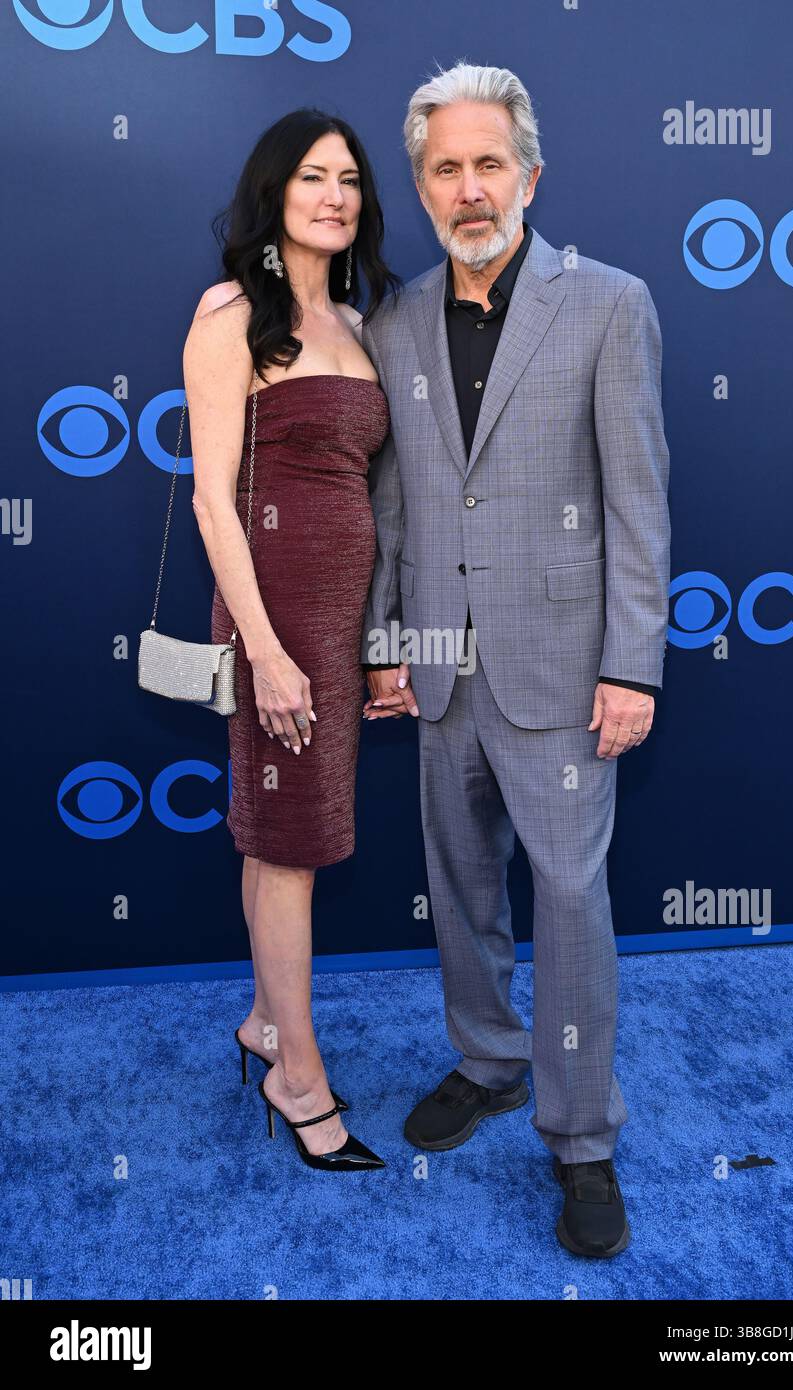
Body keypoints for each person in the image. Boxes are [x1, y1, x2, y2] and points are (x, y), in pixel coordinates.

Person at [361, 63, 671, 1252]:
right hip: (438, 665)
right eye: (445, 166)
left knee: (573, 902)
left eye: (489, 162)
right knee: (461, 889)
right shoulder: (391, 320)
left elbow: (639, 501)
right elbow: (391, 505)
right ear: (423, 186)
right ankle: (487, 1060)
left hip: (564, 668)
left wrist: (631, 665)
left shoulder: (607, 303)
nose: (469, 186)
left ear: (529, 176)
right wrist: (388, 643)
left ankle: (582, 1137)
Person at [184, 109, 400, 1172]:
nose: (334, 195)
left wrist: (372, 639)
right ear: (273, 192)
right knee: (292, 846)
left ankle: (264, 1026)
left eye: (350, 179)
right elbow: (215, 503)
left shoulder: (361, 323)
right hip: (272, 614)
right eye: (313, 176)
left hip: (340, 616)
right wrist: (265, 651)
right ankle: (298, 1077)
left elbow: (379, 494)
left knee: (281, 835)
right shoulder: (231, 314)